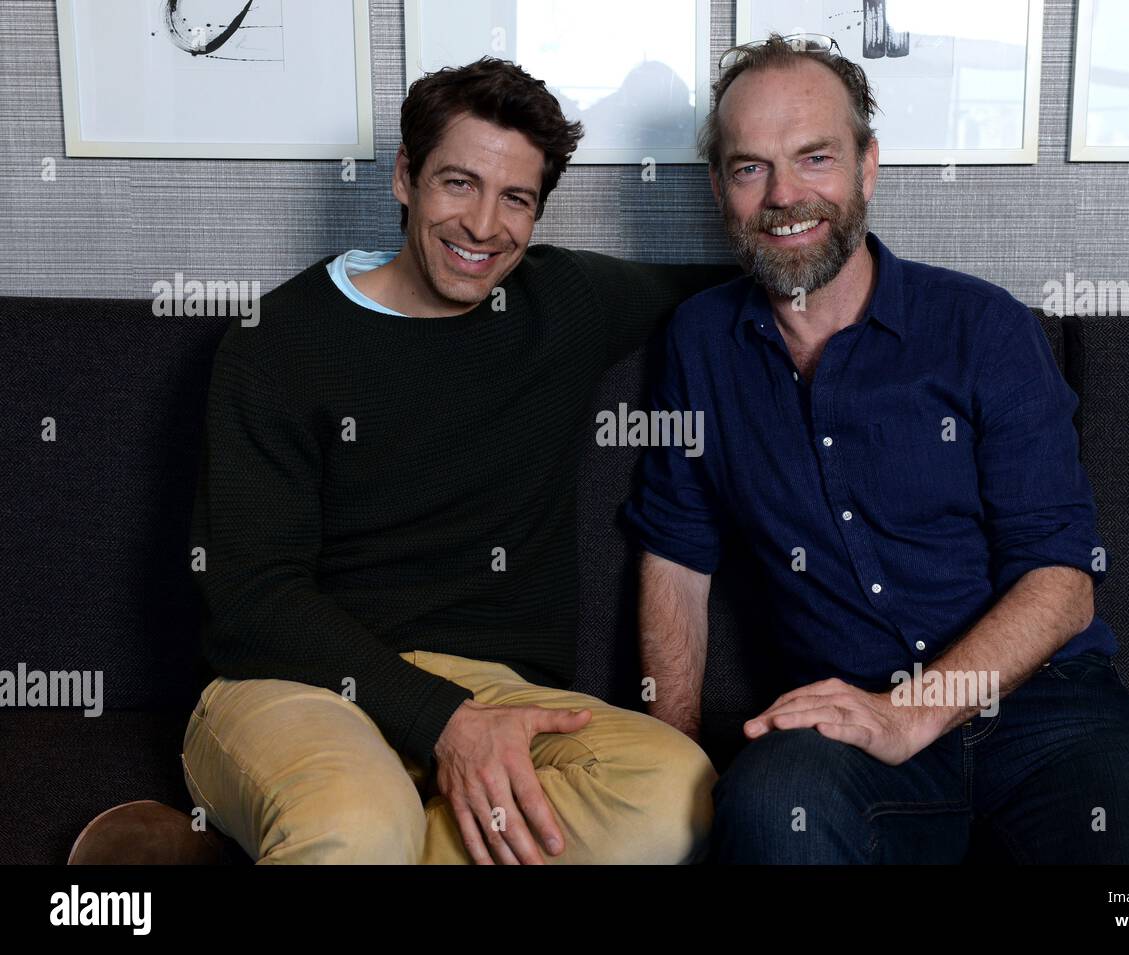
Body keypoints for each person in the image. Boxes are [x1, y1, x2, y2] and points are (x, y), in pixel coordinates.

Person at [625, 34, 1129, 864]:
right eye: (749, 167)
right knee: (770, 808)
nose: (785, 195)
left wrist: (912, 714)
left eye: (815, 157)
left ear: (868, 166)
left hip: (1044, 707)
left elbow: (1062, 583)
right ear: (719, 187)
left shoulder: (983, 327)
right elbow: (677, 557)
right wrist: (680, 760)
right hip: (838, 715)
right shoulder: (700, 341)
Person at [176, 57, 736, 864]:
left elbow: (730, 283)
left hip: (498, 690)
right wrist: (440, 720)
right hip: (295, 680)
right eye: (458, 184)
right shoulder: (281, 341)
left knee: (674, 795)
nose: (482, 226)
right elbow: (251, 598)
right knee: (360, 824)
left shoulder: (563, 303)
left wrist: (829, 254)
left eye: (516, 200)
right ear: (406, 177)